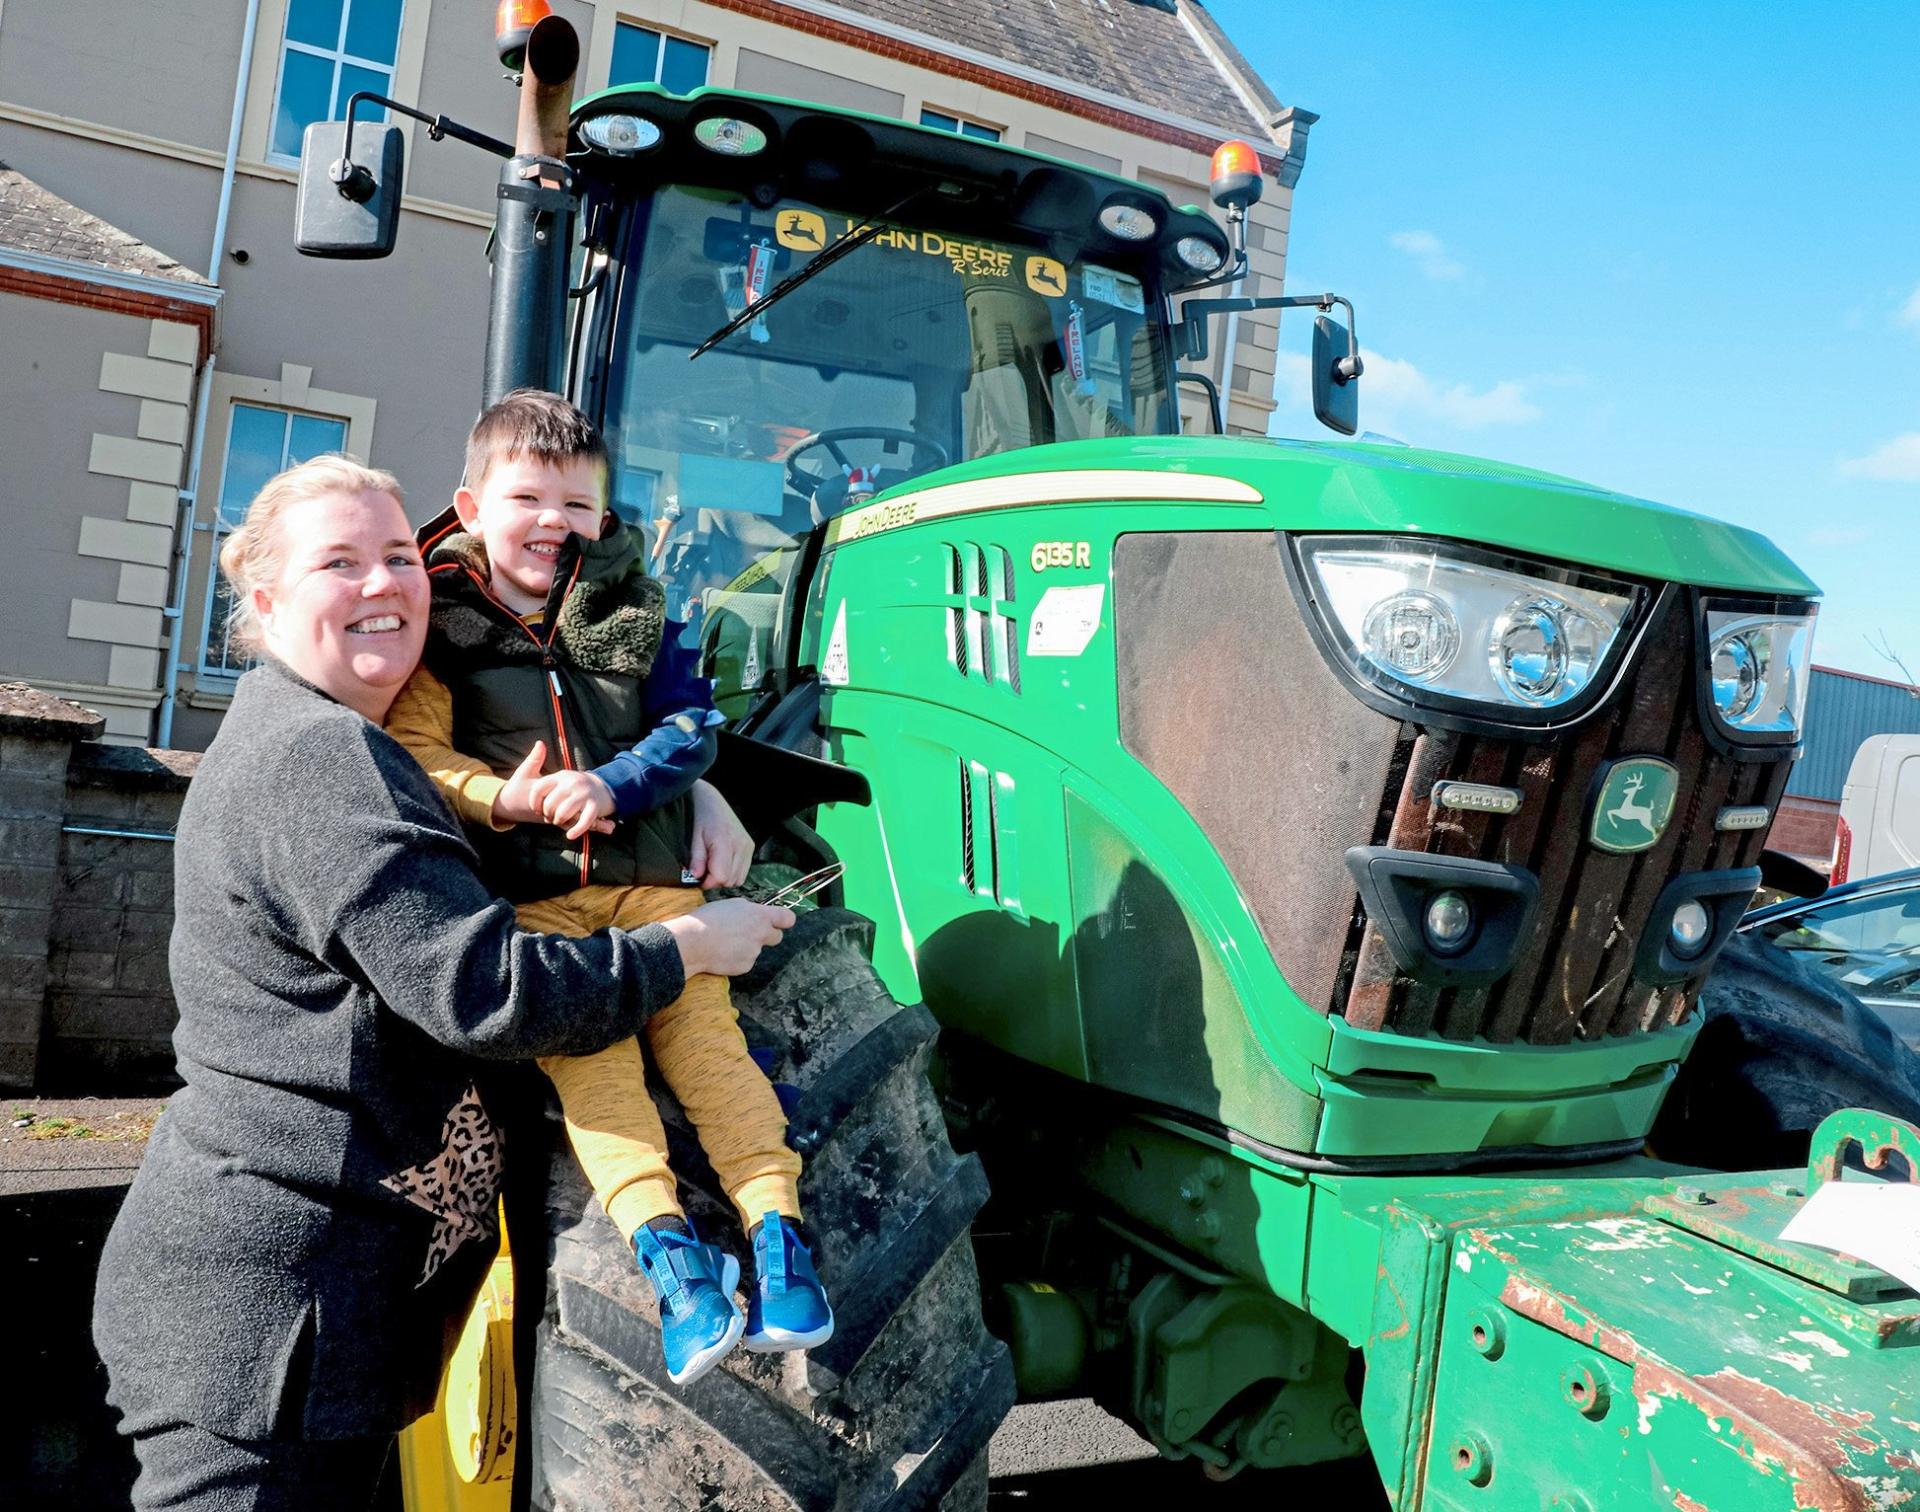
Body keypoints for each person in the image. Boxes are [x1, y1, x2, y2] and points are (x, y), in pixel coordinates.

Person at [91, 456, 795, 1510]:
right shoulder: (319, 760)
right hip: (269, 1318)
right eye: (340, 562)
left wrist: (687, 797)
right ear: (268, 599)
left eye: (393, 555)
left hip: (323, 1326)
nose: (383, 583)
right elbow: (486, 992)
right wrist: (690, 944)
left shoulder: (357, 743)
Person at [384, 390, 832, 1388]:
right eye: (529, 498)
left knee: (717, 1061)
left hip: (654, 893)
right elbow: (420, 753)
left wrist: (616, 785)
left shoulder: (633, 607)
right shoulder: (441, 628)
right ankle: (677, 1263)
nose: (556, 523)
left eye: (579, 506)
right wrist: (515, 801)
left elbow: (686, 727)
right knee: (598, 1085)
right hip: (542, 919)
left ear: (606, 514)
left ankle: (780, 1241)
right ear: (469, 506)